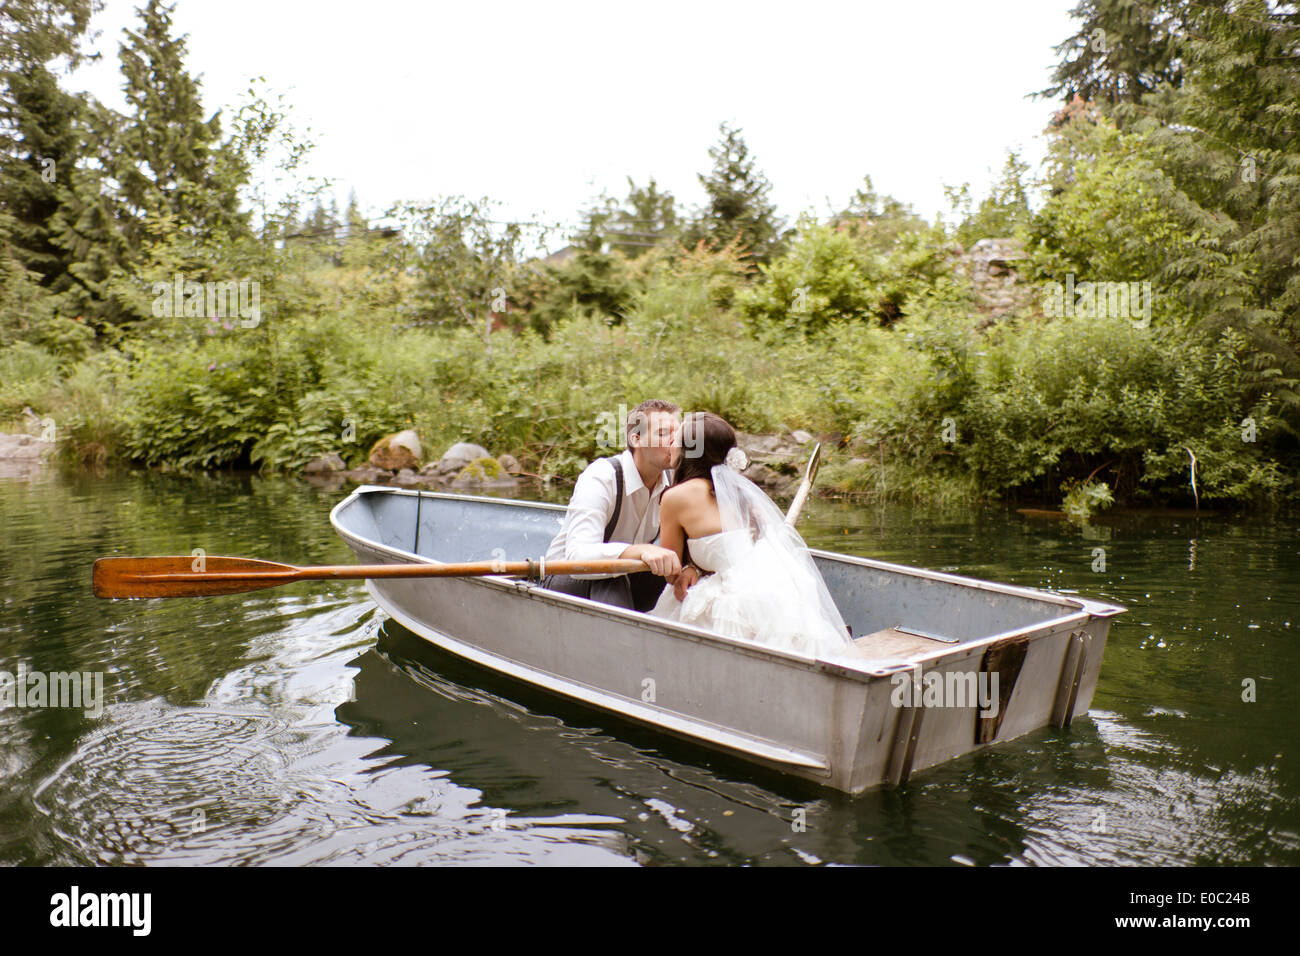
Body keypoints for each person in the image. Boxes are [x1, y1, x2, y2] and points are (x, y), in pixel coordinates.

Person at [649, 412, 853, 656]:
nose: (671, 443)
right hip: (771, 589)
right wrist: (696, 567)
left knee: (679, 604)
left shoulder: (675, 497)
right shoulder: (741, 493)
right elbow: (731, 550)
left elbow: (670, 570)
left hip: (736, 600)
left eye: (677, 439)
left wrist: (685, 569)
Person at [541, 399, 685, 612]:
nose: (675, 442)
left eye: (678, 434)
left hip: (628, 578)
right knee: (613, 574)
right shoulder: (601, 477)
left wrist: (689, 569)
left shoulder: (676, 481)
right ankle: (621, 642)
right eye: (664, 434)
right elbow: (578, 557)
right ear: (636, 439)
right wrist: (639, 551)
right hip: (565, 579)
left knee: (677, 575)